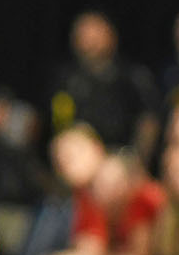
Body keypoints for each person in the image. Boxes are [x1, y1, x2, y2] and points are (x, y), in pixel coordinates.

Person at [48, 11, 161, 164]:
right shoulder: (64, 78)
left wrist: (137, 162)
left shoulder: (132, 76)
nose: (88, 41)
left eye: (94, 34)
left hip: (120, 158)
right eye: (82, 34)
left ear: (110, 36)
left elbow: (148, 120)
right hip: (75, 157)